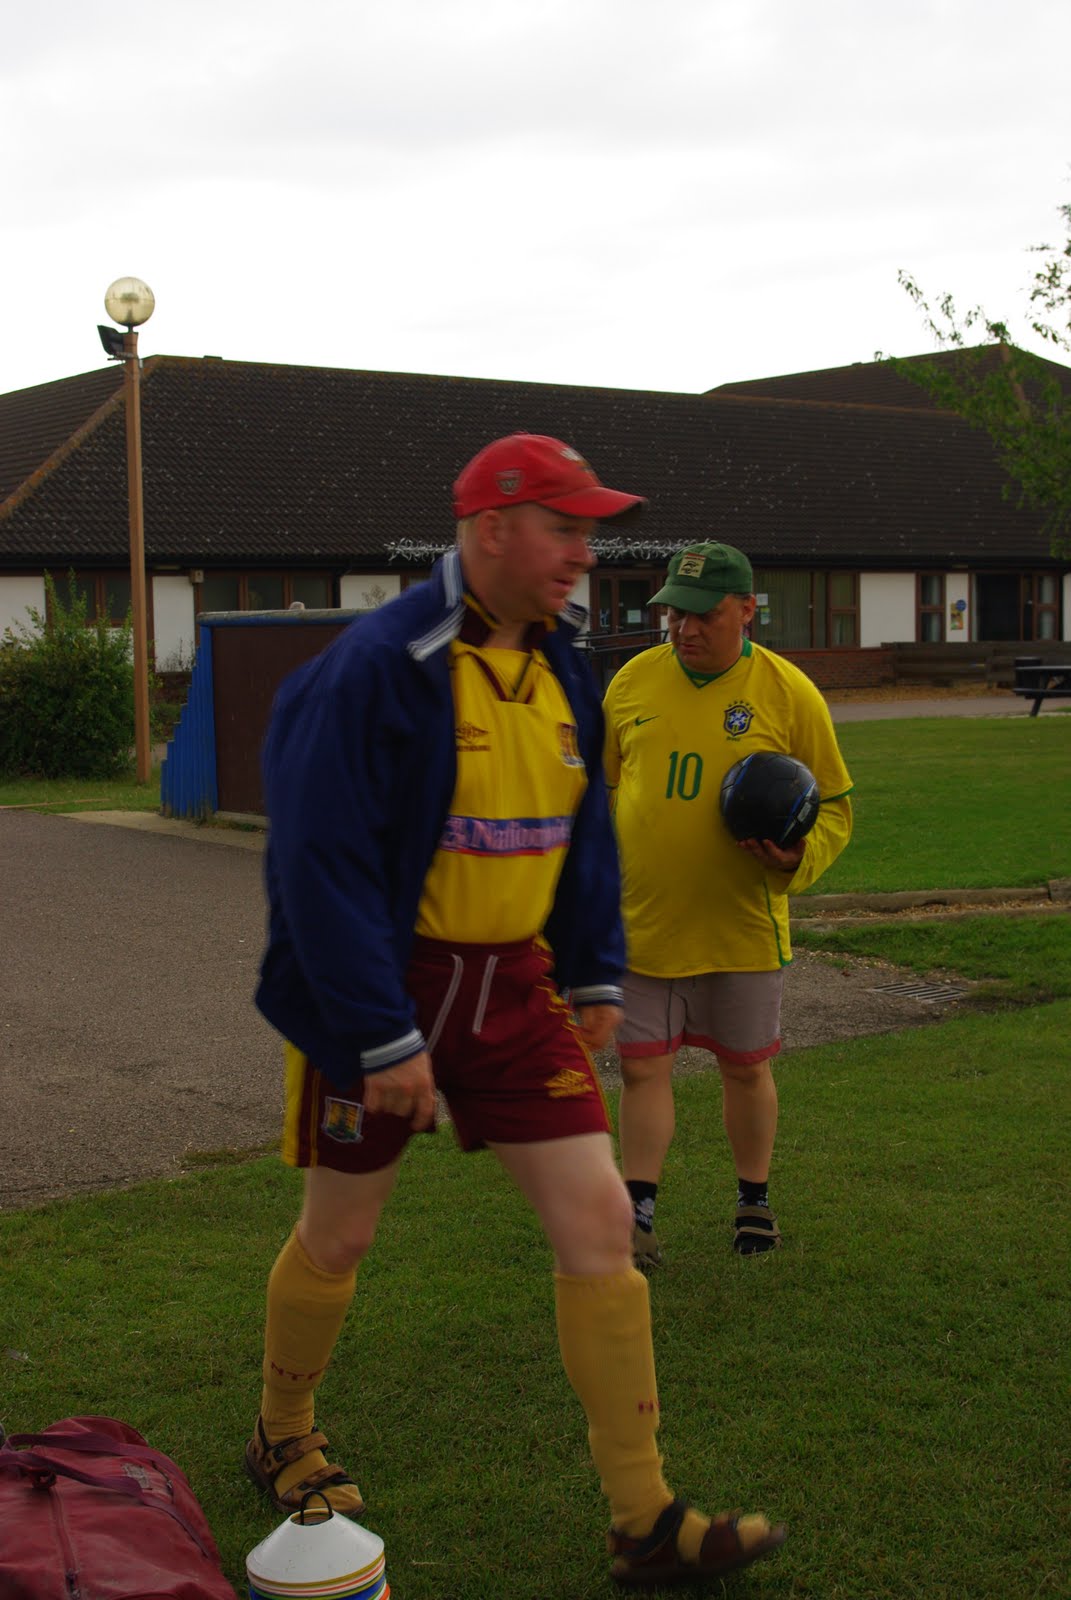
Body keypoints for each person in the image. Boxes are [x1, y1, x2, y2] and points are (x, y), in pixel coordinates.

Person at [247, 440, 787, 1588]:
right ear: (492, 529)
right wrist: (380, 1032)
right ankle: (281, 1429)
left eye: (590, 531)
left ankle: (644, 1517)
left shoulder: (564, 666)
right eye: (564, 528)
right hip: (384, 989)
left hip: (516, 989)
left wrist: (594, 972)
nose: (584, 554)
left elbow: (586, 830)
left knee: (601, 1222)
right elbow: (316, 866)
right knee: (341, 1235)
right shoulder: (377, 666)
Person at [603, 541, 853, 1268]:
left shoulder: (788, 692)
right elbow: (603, 791)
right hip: (643, 921)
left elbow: (836, 808)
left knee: (744, 1068)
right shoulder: (630, 682)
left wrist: (797, 858)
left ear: (746, 610)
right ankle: (637, 1214)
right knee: (642, 1069)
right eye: (672, 614)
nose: (683, 629)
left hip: (739, 925)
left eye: (702, 615)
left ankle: (753, 1200)